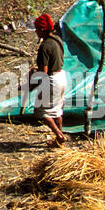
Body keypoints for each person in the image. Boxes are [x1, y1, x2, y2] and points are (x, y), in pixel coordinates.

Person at [31, 13, 68, 148]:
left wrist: (31, 81)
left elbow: (44, 72)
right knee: (57, 109)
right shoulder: (57, 40)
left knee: (42, 111)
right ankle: (59, 141)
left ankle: (59, 135)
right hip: (62, 77)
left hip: (52, 80)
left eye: (37, 29)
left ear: (42, 30)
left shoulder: (44, 46)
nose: (36, 32)